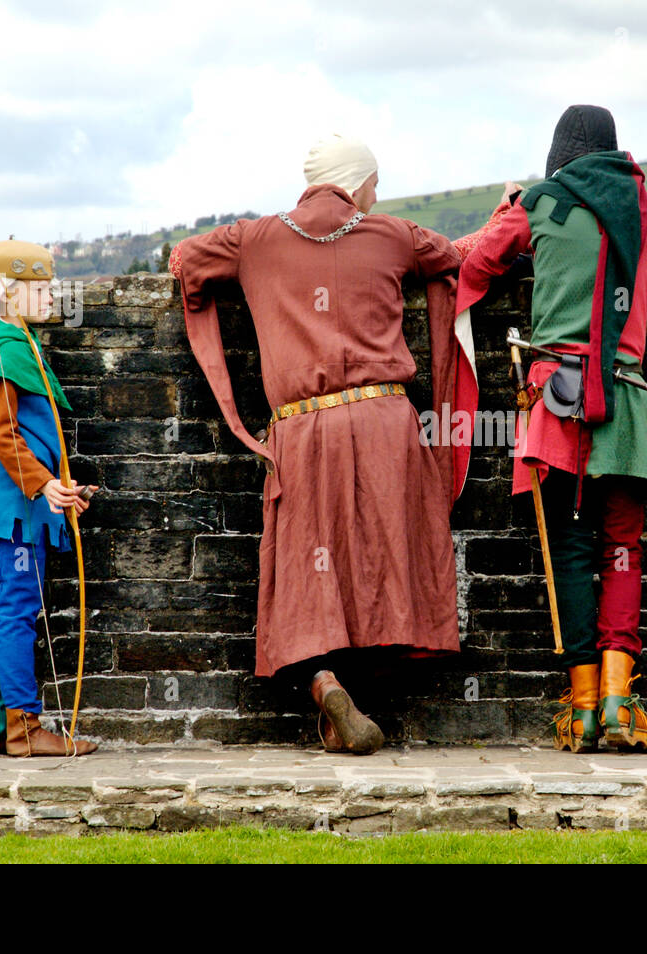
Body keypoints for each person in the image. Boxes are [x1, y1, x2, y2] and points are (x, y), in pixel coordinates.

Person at [170, 134, 477, 755]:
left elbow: (183, 261)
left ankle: (325, 684)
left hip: (306, 430)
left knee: (305, 578)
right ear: (357, 184)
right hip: (387, 424)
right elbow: (452, 258)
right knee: (380, 566)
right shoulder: (392, 233)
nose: (375, 195)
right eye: (374, 185)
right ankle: (349, 699)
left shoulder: (254, 239)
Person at [457, 105, 647, 753]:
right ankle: (619, 701)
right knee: (622, 549)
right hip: (629, 405)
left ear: (559, 152)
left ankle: (582, 709)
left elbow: (467, 271)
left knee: (570, 549)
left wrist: (504, 212)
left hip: (555, 403)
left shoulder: (540, 203)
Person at [0, 240, 97, 757]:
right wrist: (42, 485)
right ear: (10, 292)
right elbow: (2, 431)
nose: (50, 295)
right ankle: (24, 730)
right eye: (41, 288)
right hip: (13, 503)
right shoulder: (5, 346)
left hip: (10, 500)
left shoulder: (12, 341)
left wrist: (61, 487)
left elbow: (30, 436)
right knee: (17, 609)